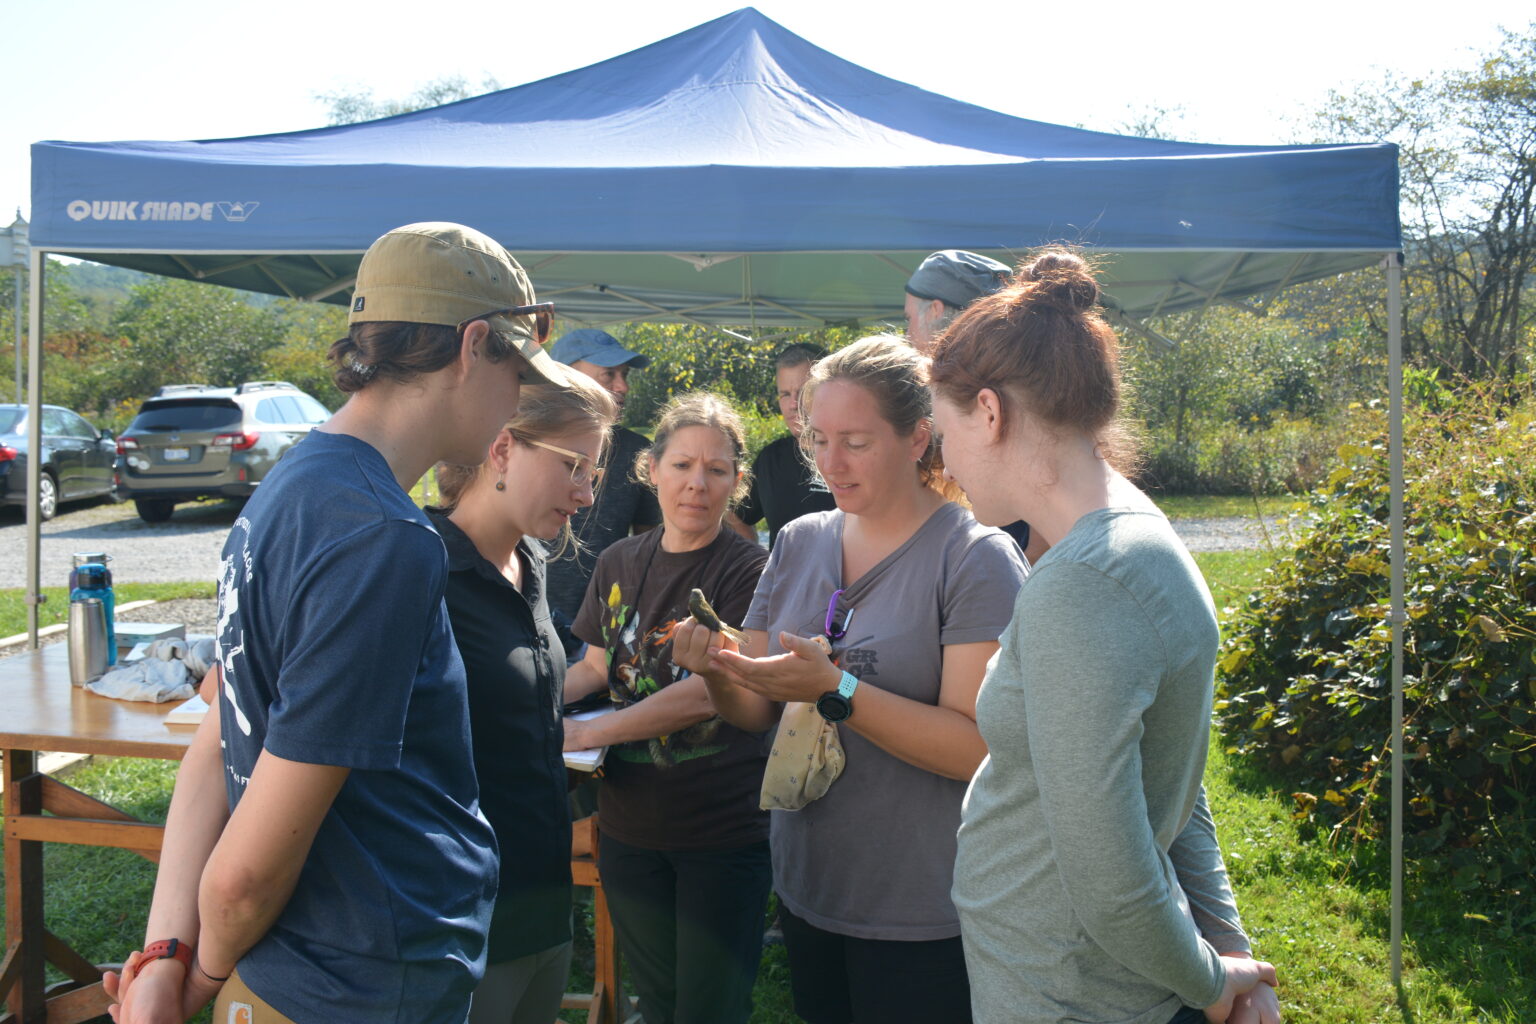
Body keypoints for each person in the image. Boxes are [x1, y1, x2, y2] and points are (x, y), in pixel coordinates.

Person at [104, 222, 560, 1024]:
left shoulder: (292, 484)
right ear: (472, 345)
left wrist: (168, 954)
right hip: (364, 982)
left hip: (312, 969)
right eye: (516, 367)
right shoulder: (383, 538)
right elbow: (243, 874)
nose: (518, 394)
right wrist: (197, 984)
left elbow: (219, 734)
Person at [928, 249, 1281, 1024]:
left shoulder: (1087, 585)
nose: (944, 463)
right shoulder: (1129, 541)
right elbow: (1171, 777)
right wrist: (1222, 948)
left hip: (1068, 990)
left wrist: (1215, 985)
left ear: (989, 413)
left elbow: (1112, 883)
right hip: (1074, 977)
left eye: (942, 433)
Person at [675, 335, 1027, 1024]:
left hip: (925, 907)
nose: (829, 464)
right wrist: (718, 670)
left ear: (918, 435)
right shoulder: (798, 540)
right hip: (812, 888)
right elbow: (752, 710)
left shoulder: (974, 557)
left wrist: (835, 689)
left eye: (856, 442)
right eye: (816, 440)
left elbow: (978, 748)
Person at [561, 392, 771, 1024]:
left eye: (716, 469)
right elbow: (595, 668)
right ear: (651, 470)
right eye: (681, 465)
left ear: (737, 482)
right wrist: (524, 699)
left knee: (709, 1010)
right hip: (628, 828)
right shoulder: (619, 560)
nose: (696, 485)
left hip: (721, 833)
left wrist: (590, 731)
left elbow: (709, 690)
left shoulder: (751, 569)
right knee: (655, 1003)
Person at [429, 366, 617, 1024]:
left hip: (544, 904)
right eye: (573, 467)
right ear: (502, 447)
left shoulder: (531, 563)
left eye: (591, 474)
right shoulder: (424, 574)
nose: (586, 494)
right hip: (464, 929)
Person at [904, 249, 1046, 565]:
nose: (907, 334)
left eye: (909, 319)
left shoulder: (988, 391)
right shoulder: (1019, 374)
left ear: (935, 310)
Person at [545, 328, 663, 650]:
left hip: (603, 634)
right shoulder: (528, 441)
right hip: (527, 621)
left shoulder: (639, 454)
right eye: (608, 374)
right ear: (563, 375)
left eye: (624, 375)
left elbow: (649, 548)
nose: (622, 386)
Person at [733, 343, 837, 548]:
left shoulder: (853, 453)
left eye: (803, 392)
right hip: (783, 581)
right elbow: (736, 517)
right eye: (785, 394)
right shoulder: (770, 459)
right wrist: (758, 564)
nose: (792, 405)